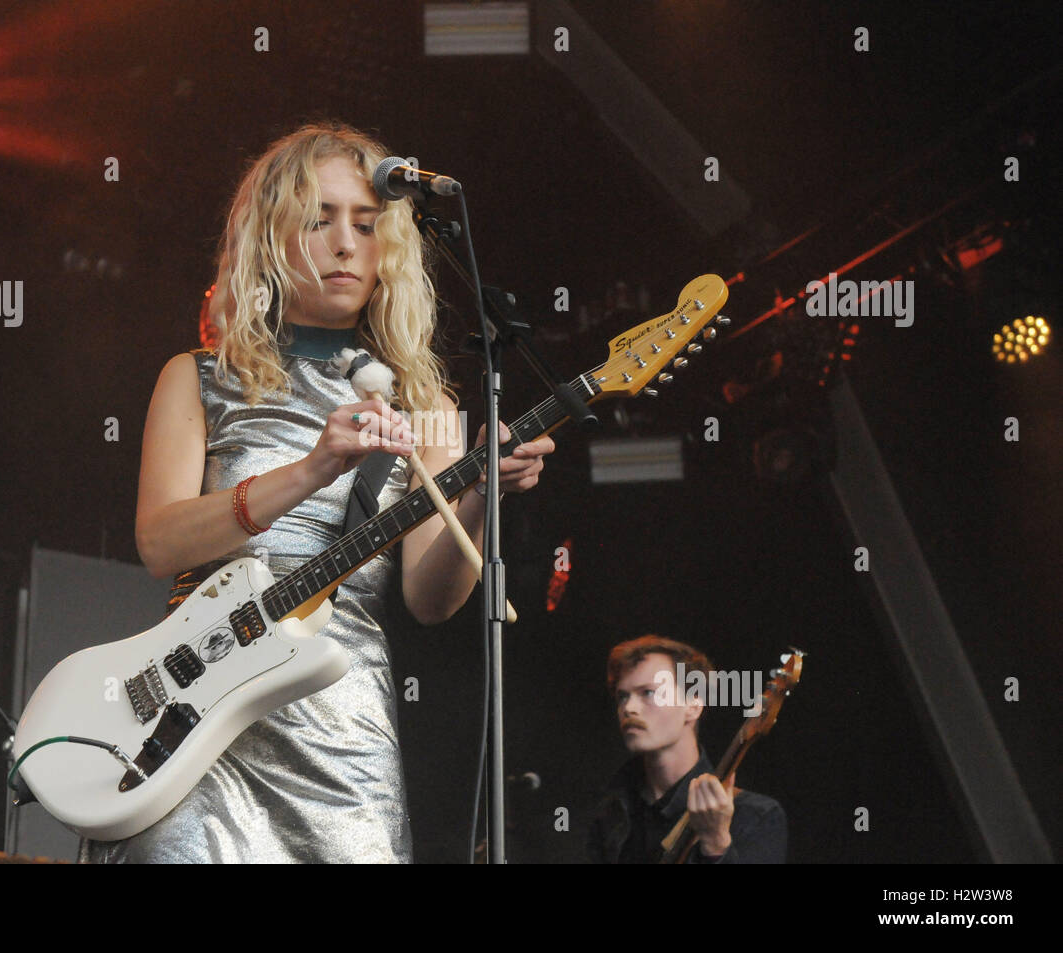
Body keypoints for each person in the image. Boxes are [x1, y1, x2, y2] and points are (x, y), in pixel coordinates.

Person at [81, 121, 555, 863]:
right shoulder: (198, 379)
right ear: (271, 238)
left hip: (342, 730)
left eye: (366, 225)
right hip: (197, 719)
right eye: (319, 219)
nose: (345, 243)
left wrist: (480, 498)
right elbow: (159, 542)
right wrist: (309, 470)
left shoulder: (425, 404)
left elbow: (431, 600)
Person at [587, 635, 788, 863]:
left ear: (693, 705)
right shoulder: (611, 814)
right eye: (623, 696)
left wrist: (716, 842)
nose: (629, 708)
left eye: (648, 693)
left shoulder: (755, 816)